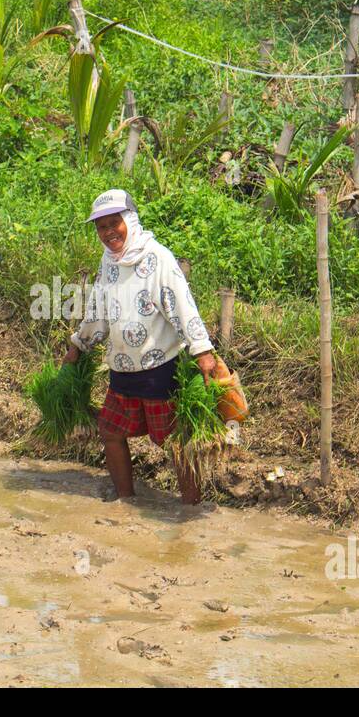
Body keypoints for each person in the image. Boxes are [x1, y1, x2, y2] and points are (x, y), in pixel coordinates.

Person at [63, 189, 217, 504]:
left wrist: (202, 351)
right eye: (101, 227)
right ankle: (125, 501)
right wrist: (79, 345)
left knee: (174, 441)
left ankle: (190, 507)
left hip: (159, 370)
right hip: (122, 370)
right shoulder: (108, 263)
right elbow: (97, 312)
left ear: (130, 221)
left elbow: (182, 307)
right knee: (111, 432)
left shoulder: (157, 257)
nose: (108, 233)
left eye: (113, 223)